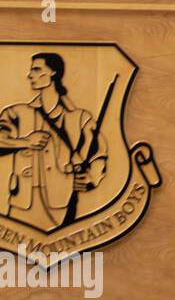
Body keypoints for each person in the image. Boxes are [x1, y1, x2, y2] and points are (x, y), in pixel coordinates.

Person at [0, 53, 108, 232]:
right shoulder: (16, 113)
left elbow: (100, 152)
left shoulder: (79, 117)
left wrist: (92, 178)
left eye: (36, 69)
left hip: (62, 200)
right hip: (23, 201)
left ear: (53, 73)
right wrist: (25, 142)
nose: (29, 75)